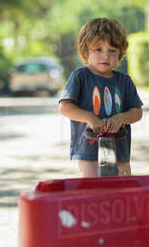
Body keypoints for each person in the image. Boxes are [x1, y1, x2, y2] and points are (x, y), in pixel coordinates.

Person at [59, 17, 143, 177]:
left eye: (112, 50)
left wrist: (121, 118)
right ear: (85, 51)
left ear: (120, 54)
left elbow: (137, 112)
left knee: (121, 189)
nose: (105, 56)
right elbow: (65, 107)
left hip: (119, 150)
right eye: (98, 49)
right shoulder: (80, 76)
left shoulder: (124, 80)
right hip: (88, 149)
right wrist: (89, 117)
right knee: (93, 189)